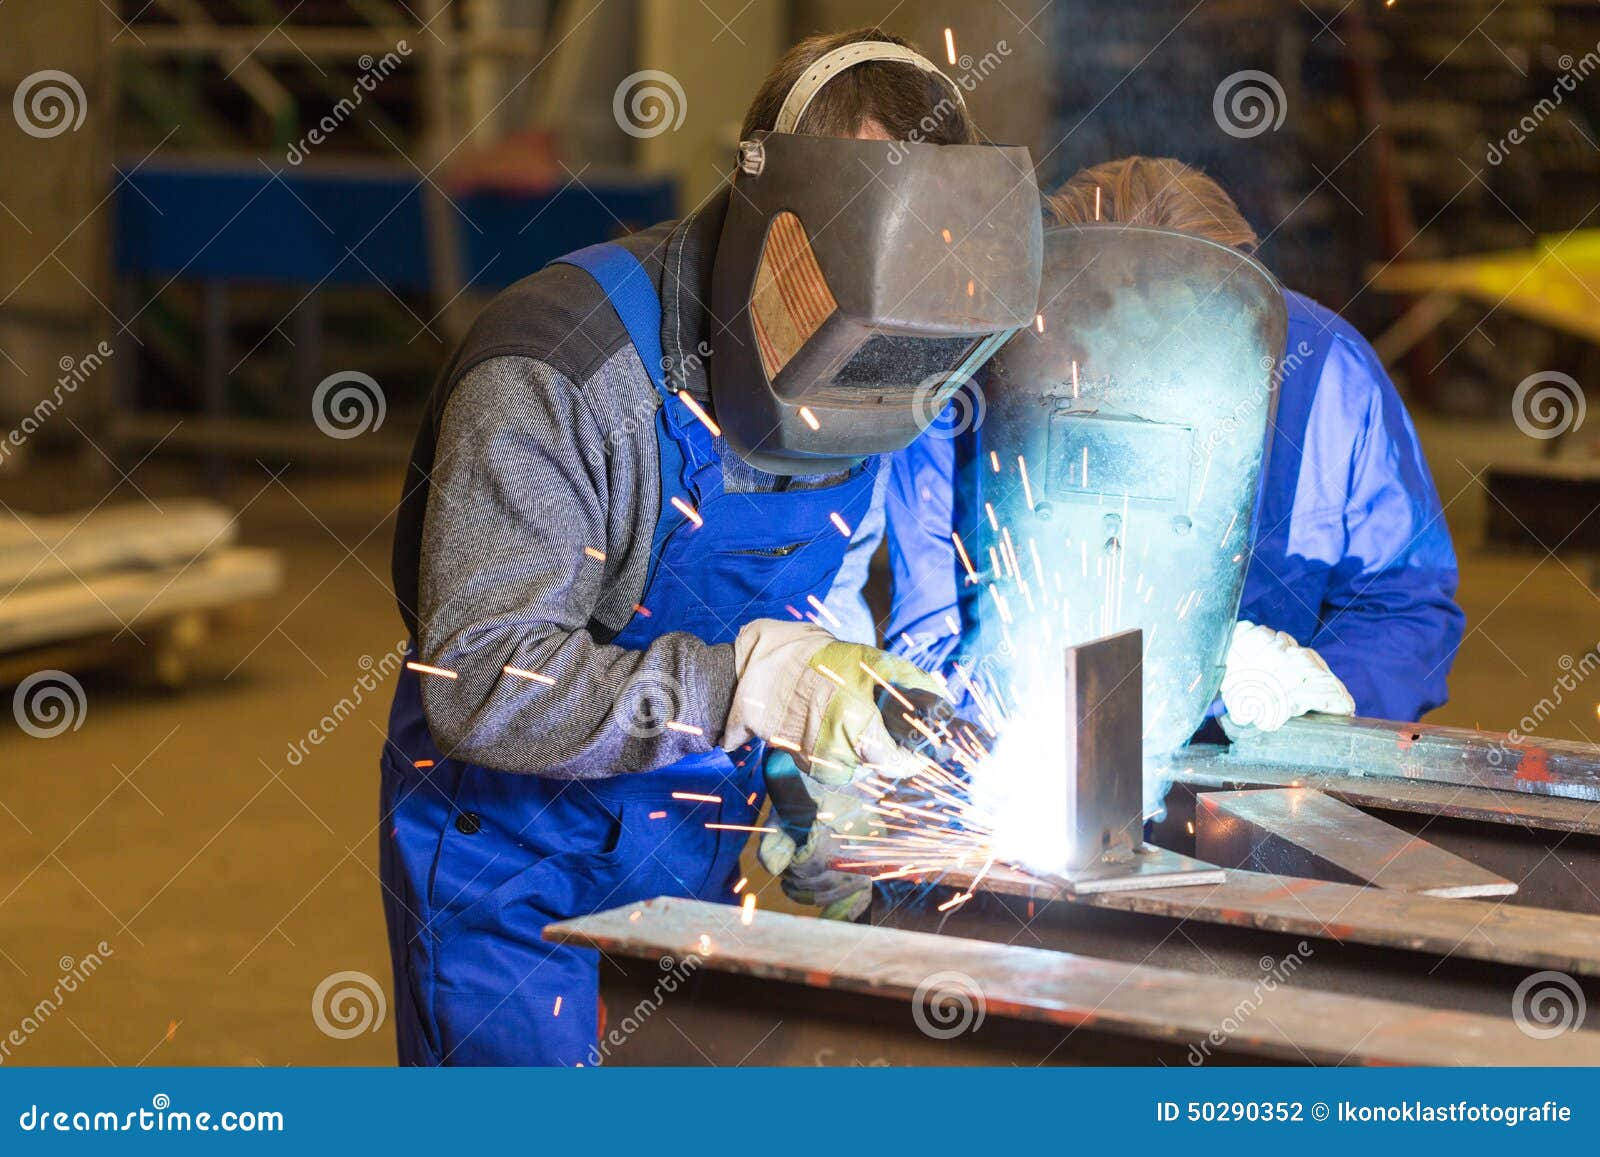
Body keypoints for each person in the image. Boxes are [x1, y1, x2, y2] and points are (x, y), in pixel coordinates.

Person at [379, 28, 1042, 1065]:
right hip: (512, 862)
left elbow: (812, 630)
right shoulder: (560, 368)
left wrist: (820, 786)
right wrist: (739, 685)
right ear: (769, 237)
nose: (867, 385)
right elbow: (479, 683)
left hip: (697, 838)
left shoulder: (899, 364)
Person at [856, 156, 1463, 730]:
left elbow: (1405, 605)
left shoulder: (1326, 377)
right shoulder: (971, 380)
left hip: (1254, 784)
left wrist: (1314, 693)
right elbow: (930, 636)